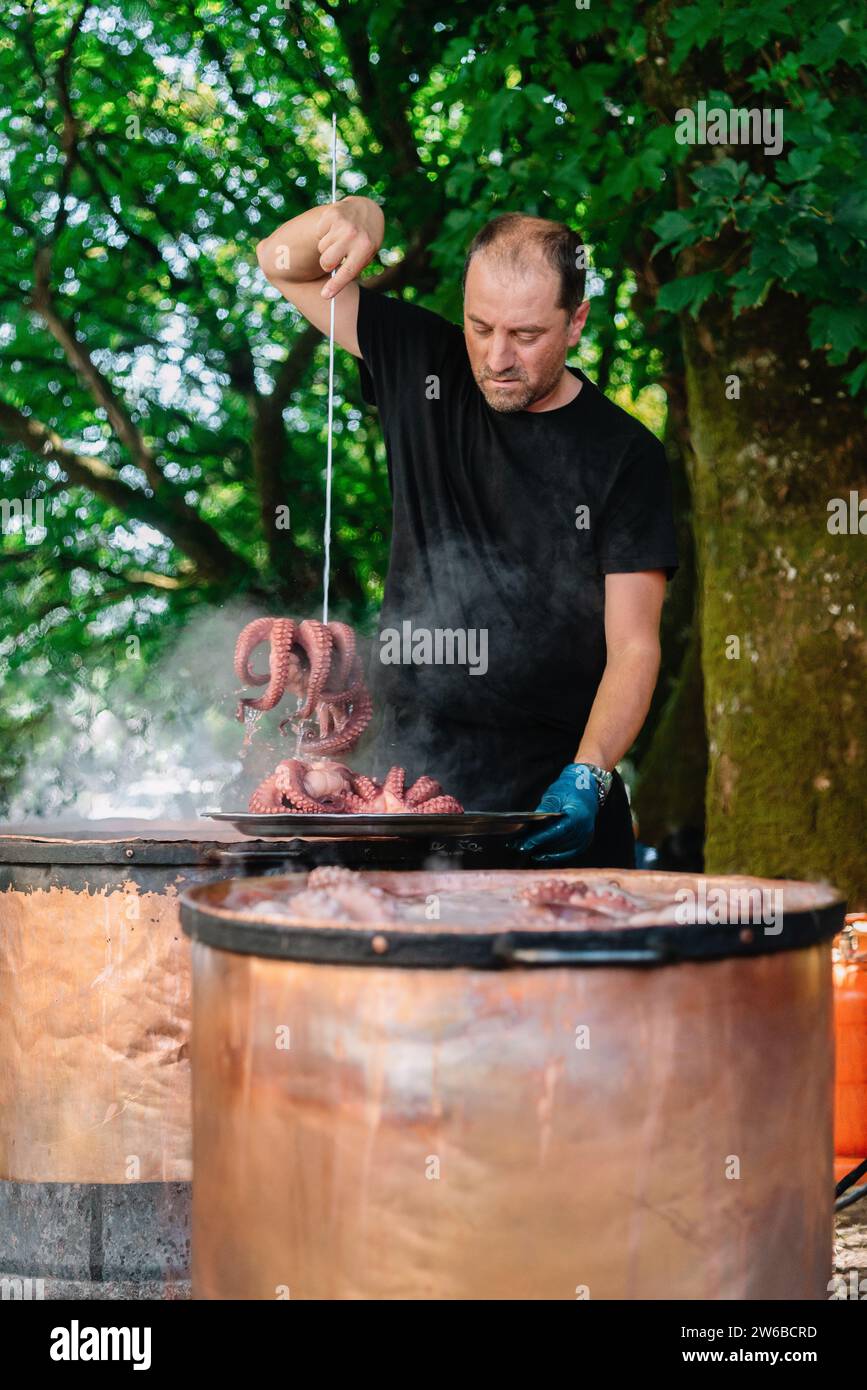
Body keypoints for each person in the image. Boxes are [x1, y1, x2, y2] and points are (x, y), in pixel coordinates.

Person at [256, 199, 678, 867]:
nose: (496, 357)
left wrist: (588, 774)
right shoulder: (422, 361)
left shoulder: (625, 457)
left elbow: (633, 647)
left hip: (548, 797)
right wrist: (359, 215)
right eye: (479, 326)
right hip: (404, 798)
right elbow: (280, 262)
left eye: (526, 334)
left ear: (576, 322)